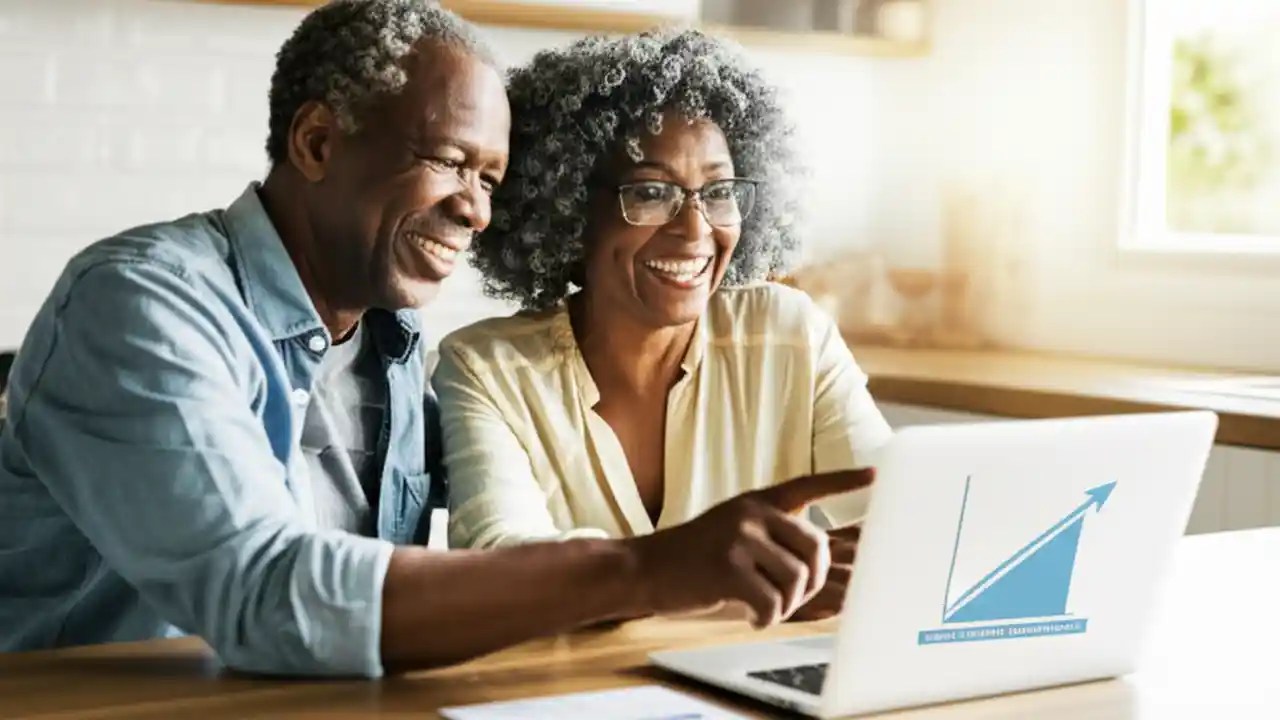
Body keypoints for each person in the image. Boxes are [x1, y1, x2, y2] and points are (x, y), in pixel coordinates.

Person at [0, 0, 869, 677]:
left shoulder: (394, 344)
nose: (476, 210)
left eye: (490, 178)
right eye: (450, 162)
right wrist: (646, 570)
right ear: (317, 141)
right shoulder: (143, 302)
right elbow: (266, 594)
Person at [437, 28, 893, 621]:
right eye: (652, 192)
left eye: (719, 191)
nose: (696, 229)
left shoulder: (789, 333)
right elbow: (497, 567)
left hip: (752, 675)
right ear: (568, 207)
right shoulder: (487, 368)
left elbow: (904, 517)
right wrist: (695, 575)